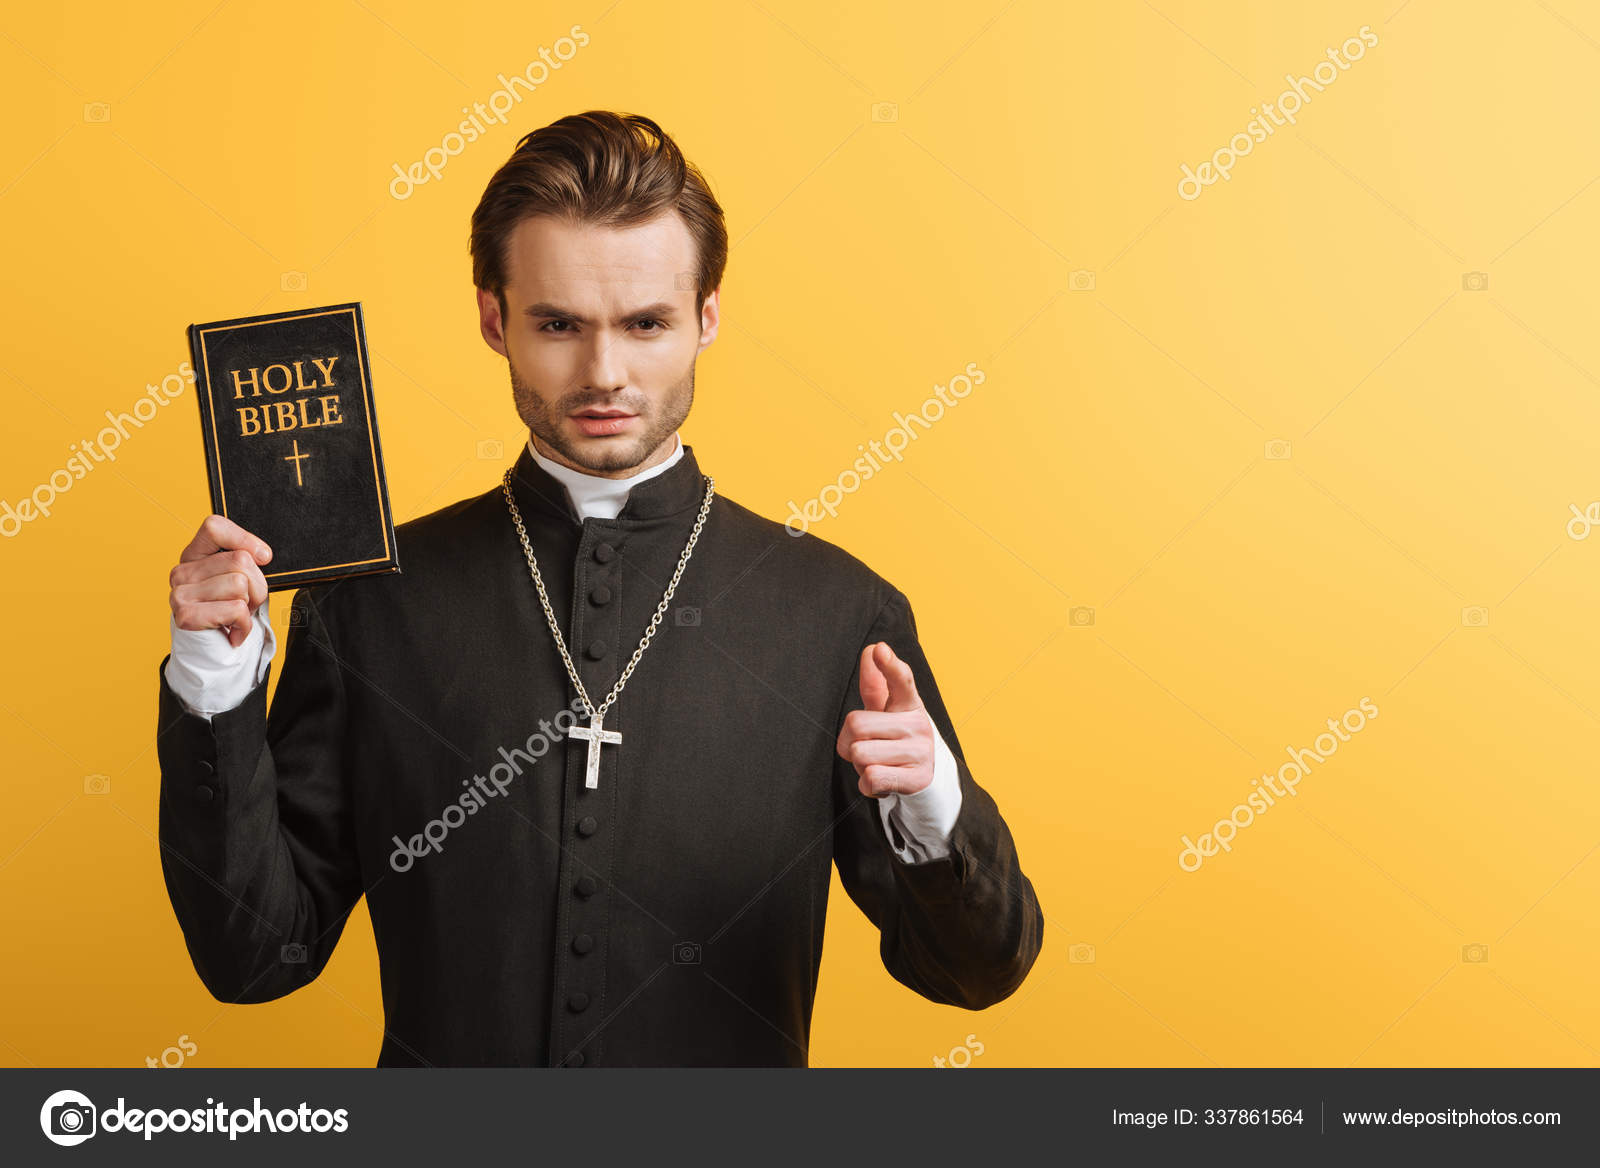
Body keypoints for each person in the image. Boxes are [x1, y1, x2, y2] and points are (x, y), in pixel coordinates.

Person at [157, 110, 1043, 1067]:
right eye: (558, 325)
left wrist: (935, 805)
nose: (604, 374)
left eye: (647, 323)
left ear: (707, 316)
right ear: (495, 320)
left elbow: (972, 975)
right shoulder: (369, 605)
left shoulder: (839, 612)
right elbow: (254, 958)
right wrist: (214, 677)